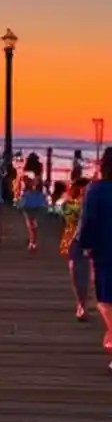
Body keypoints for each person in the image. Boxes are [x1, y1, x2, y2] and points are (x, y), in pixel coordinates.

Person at [76, 148, 112, 361]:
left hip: (105, 251)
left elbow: (88, 221)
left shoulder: (95, 190)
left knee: (105, 299)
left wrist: (85, 244)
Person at [60, 178, 92, 321]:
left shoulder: (92, 203)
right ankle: (81, 303)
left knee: (86, 273)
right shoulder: (70, 204)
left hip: (92, 240)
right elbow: (67, 214)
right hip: (74, 239)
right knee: (74, 271)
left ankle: (84, 304)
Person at [18, 172, 47, 253]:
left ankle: (32, 242)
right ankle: (33, 242)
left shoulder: (26, 191)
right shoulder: (39, 192)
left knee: (30, 226)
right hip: (35, 207)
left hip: (28, 207)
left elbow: (22, 200)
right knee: (33, 226)